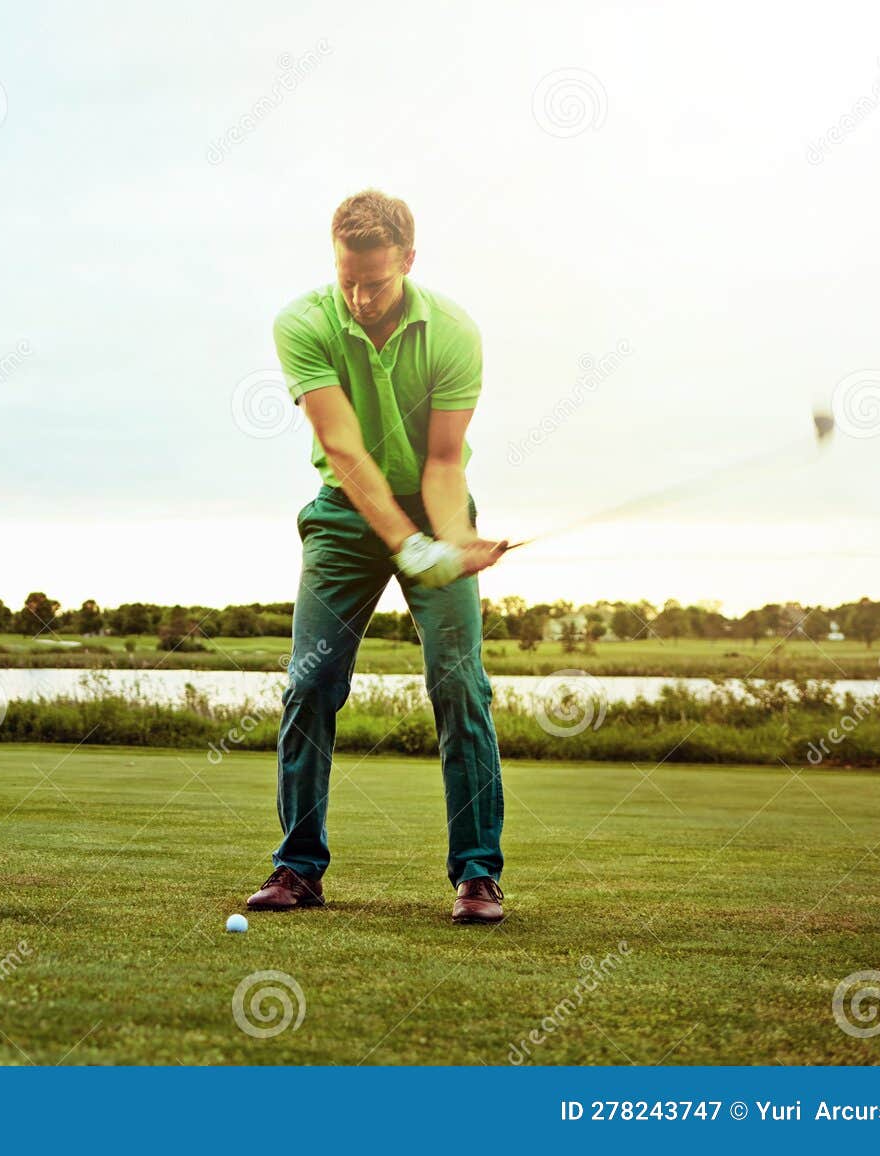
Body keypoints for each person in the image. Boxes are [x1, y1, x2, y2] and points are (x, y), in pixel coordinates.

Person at [246, 189, 509, 924]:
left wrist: (451, 541)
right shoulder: (303, 321)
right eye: (347, 279)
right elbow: (344, 448)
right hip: (343, 515)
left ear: (409, 262)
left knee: (460, 685)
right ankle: (298, 867)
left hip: (432, 507)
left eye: (377, 282)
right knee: (312, 682)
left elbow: (445, 462)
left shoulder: (454, 331)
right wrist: (407, 546)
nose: (360, 298)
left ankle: (478, 874)